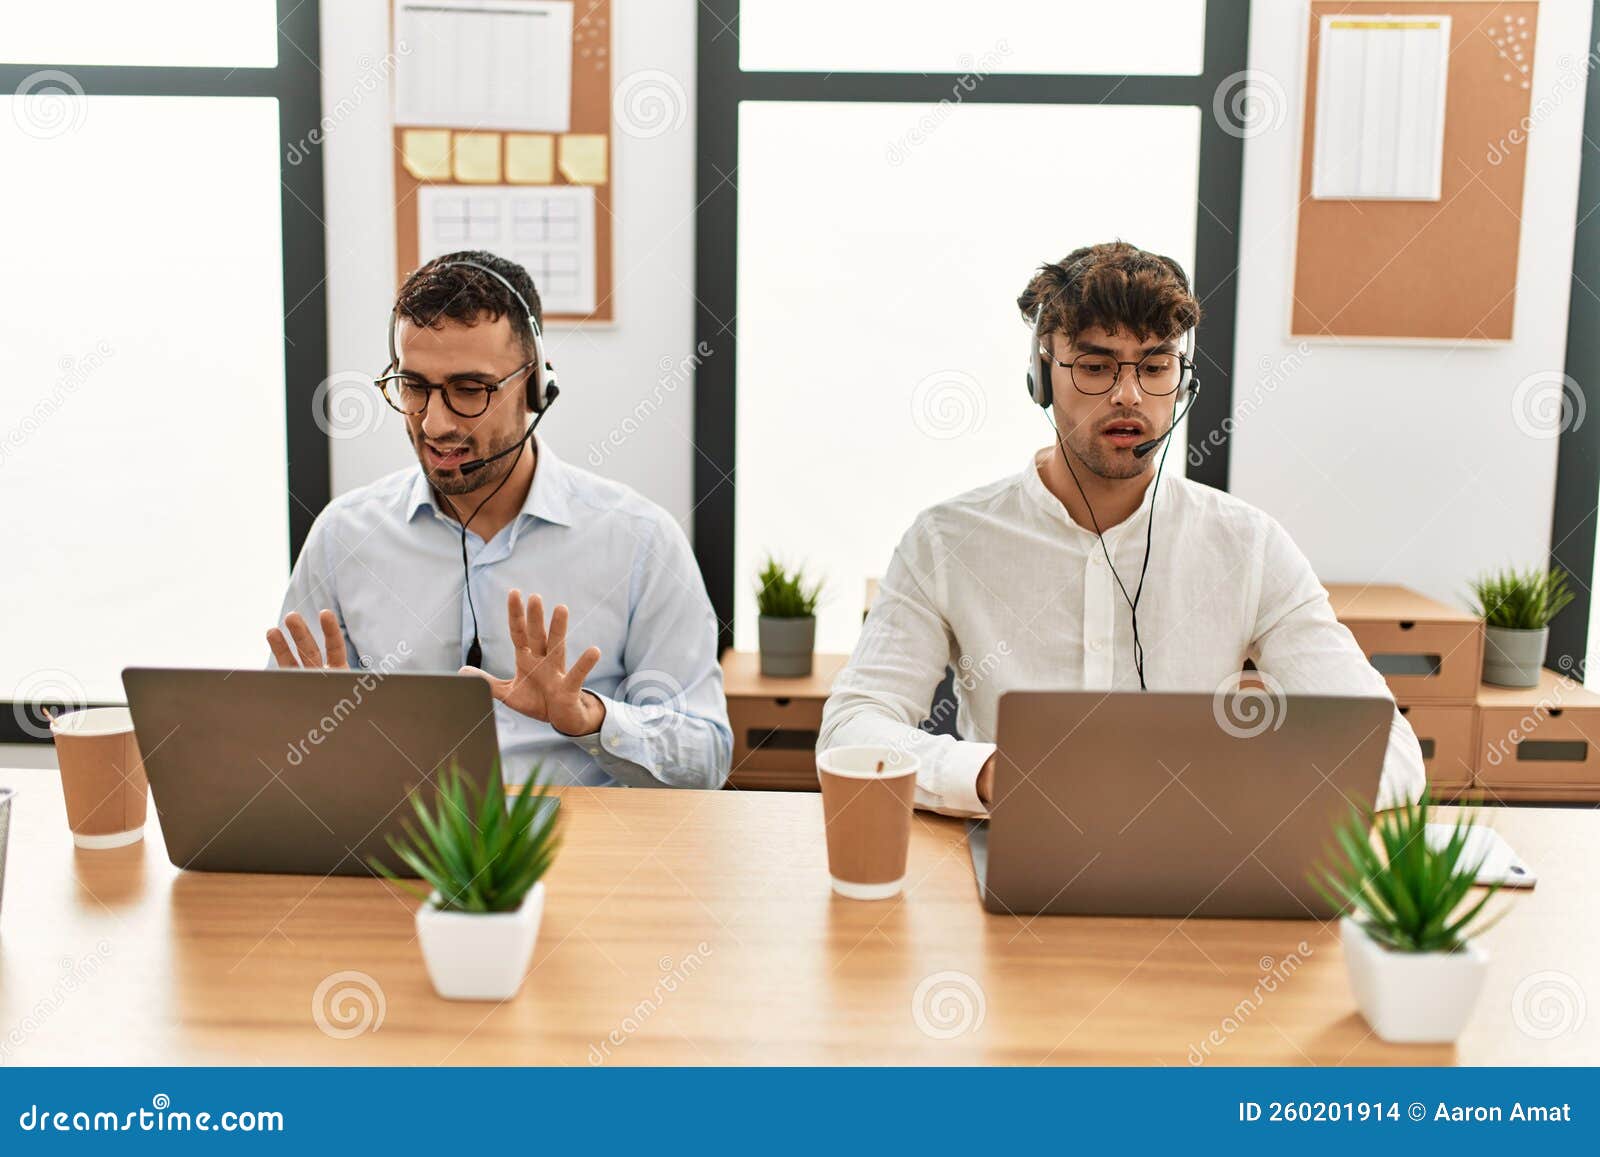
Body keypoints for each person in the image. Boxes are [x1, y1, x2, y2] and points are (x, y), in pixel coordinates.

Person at [818, 240, 1425, 815]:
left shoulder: (1250, 547)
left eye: (1155, 366)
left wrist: (1256, 788)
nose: (1129, 395)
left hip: (1196, 870)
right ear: (1041, 376)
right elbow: (853, 728)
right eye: (1095, 366)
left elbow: (1390, 751)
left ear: (1181, 380)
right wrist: (986, 774)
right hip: (1007, 852)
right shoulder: (947, 540)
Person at [268, 250, 731, 789]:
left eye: (470, 390)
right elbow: (278, 748)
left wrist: (590, 720)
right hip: (400, 853)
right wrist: (313, 732)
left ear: (535, 387)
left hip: (579, 858)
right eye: (413, 386)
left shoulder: (639, 540)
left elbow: (707, 759)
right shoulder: (343, 536)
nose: (434, 423)